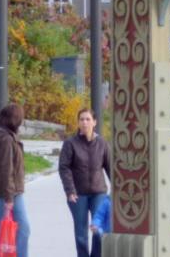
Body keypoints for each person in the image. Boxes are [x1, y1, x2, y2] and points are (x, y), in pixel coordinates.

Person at [59, 108, 111, 257]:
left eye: (88, 119)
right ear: (78, 122)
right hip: (78, 194)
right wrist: (70, 191)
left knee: (98, 230)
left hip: (98, 193)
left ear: (94, 122)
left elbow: (110, 167)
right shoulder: (70, 143)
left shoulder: (102, 143)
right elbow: (64, 168)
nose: (85, 122)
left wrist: (118, 188)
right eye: (81, 119)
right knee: (81, 234)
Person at [0, 103, 30, 257]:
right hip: (6, 194)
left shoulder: (7, 137)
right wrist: (9, 198)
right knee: (4, 230)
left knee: (17, 228)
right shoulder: (5, 140)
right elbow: (6, 171)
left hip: (10, 192)